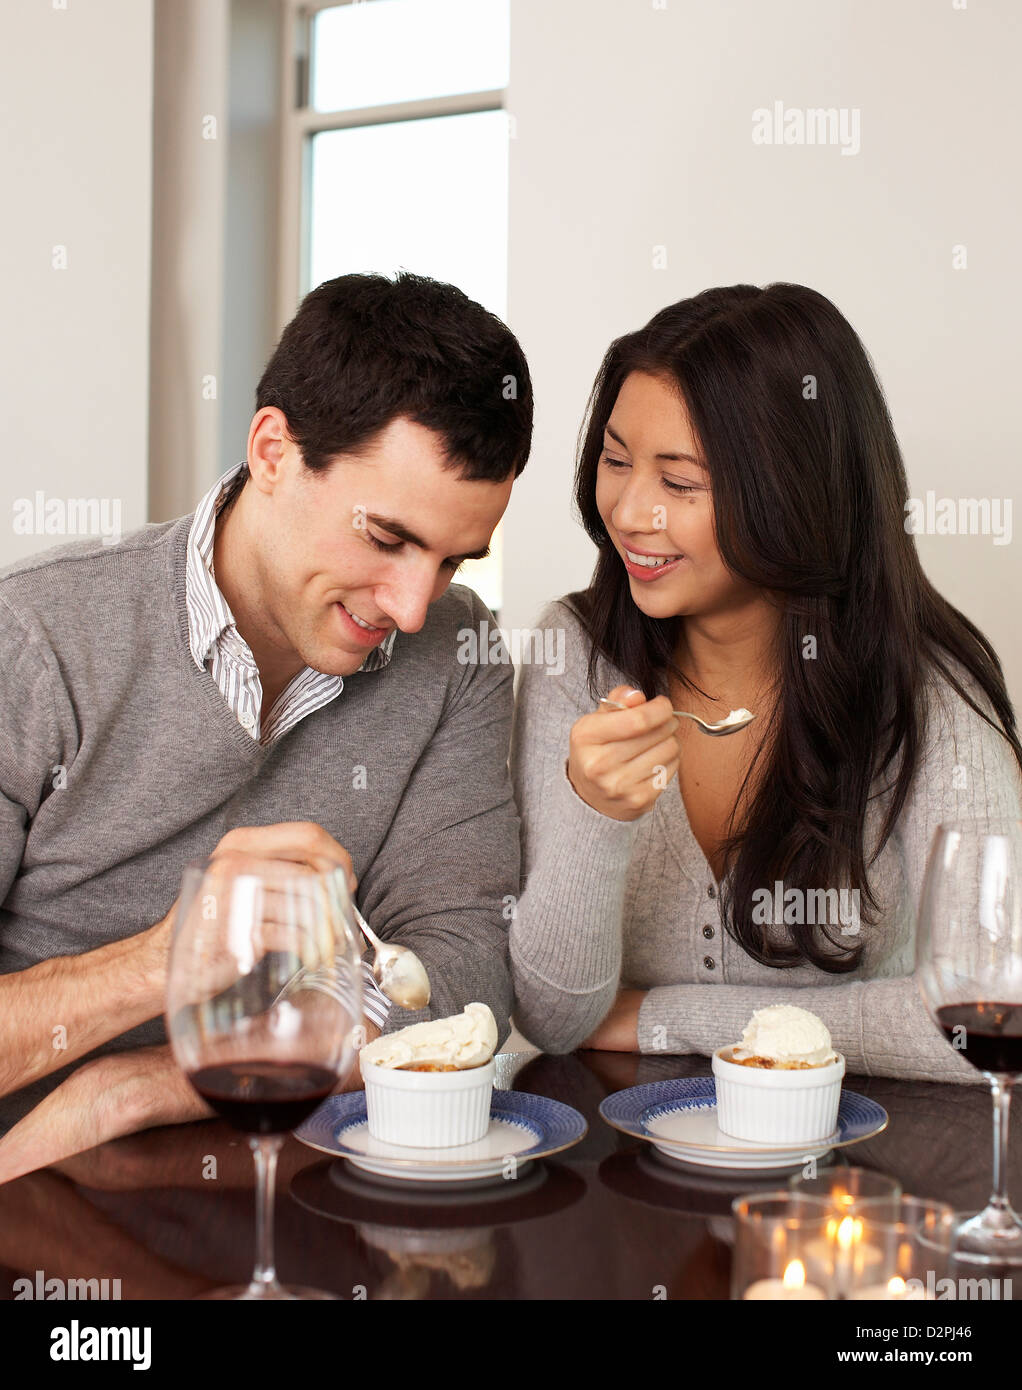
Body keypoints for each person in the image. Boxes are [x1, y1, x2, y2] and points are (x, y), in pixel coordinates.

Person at [0, 271, 532, 1179]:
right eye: (388, 538)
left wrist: (140, 1089)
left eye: (451, 560)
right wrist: (165, 960)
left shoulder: (458, 651)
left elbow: (465, 975)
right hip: (37, 1190)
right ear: (274, 451)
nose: (411, 608)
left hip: (298, 1189)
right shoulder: (40, 641)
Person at [509, 282, 1022, 1082]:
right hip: (625, 1181)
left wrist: (663, 1016)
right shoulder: (574, 657)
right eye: (615, 460)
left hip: (849, 1175)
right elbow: (555, 1015)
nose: (630, 510)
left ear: (791, 491)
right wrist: (593, 814)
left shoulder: (929, 700)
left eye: (679, 483)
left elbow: (988, 1014)